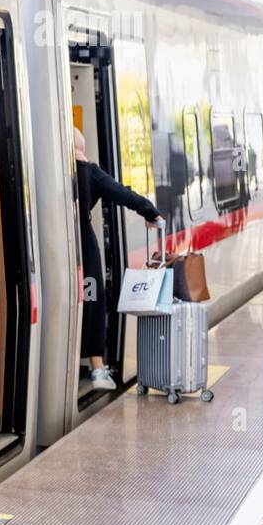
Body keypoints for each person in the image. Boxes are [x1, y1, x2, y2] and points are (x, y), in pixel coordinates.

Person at [74, 128, 164, 390]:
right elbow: (124, 194)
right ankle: (97, 368)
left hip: (55, 249)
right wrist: (151, 213)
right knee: (93, 298)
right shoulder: (91, 173)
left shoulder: (53, 174)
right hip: (84, 246)